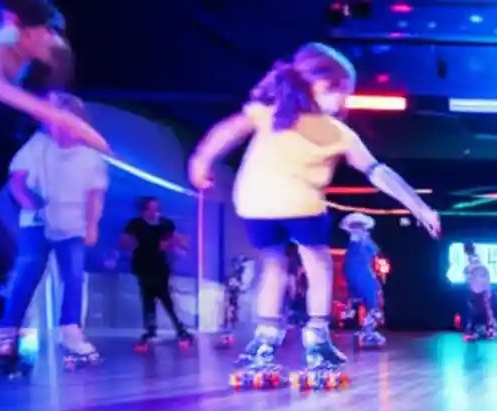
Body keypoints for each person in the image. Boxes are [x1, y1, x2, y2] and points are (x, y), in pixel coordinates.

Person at [188, 42, 441, 381]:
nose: (344, 103)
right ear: (321, 85)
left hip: (253, 202)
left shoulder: (270, 112)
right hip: (299, 204)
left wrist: (201, 161)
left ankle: (264, 340)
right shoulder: (339, 134)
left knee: (273, 265)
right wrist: (420, 208)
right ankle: (318, 338)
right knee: (318, 262)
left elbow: (225, 132)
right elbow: (378, 172)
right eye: (343, 94)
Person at [0, 92, 106, 369]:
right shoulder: (38, 144)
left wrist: (92, 225)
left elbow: (95, 194)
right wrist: (30, 203)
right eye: (54, 121)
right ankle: (7, 334)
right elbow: (17, 180)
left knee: (73, 276)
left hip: (72, 224)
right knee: (27, 271)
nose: (58, 127)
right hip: (37, 222)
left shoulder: (90, 155)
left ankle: (71, 331)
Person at [0, 0, 107, 152]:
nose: (54, 39)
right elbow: (0, 89)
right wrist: (64, 120)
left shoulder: (40, 64)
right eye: (49, 30)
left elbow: (52, 99)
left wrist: (62, 109)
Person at [121, 196, 191, 347]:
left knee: (165, 296)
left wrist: (176, 243)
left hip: (159, 265)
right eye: (150, 208)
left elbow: (171, 242)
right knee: (147, 297)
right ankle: (151, 329)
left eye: (156, 208)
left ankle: (178, 327)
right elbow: (124, 242)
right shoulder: (135, 224)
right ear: (144, 210)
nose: (154, 212)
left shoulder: (165, 224)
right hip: (142, 265)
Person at [339, 212, 386, 348]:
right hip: (357, 275)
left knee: (372, 303)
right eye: (354, 225)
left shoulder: (366, 242)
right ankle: (365, 333)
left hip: (365, 275)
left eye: (359, 225)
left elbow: (374, 255)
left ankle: (368, 333)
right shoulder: (354, 243)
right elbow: (348, 263)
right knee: (365, 302)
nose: (357, 228)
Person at [462, 241, 495, 340]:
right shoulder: (469, 262)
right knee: (477, 309)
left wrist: (486, 288)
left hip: (480, 287)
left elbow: (482, 273)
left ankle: (488, 329)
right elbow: (468, 275)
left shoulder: (476, 261)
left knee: (484, 309)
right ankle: (477, 330)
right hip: (476, 287)